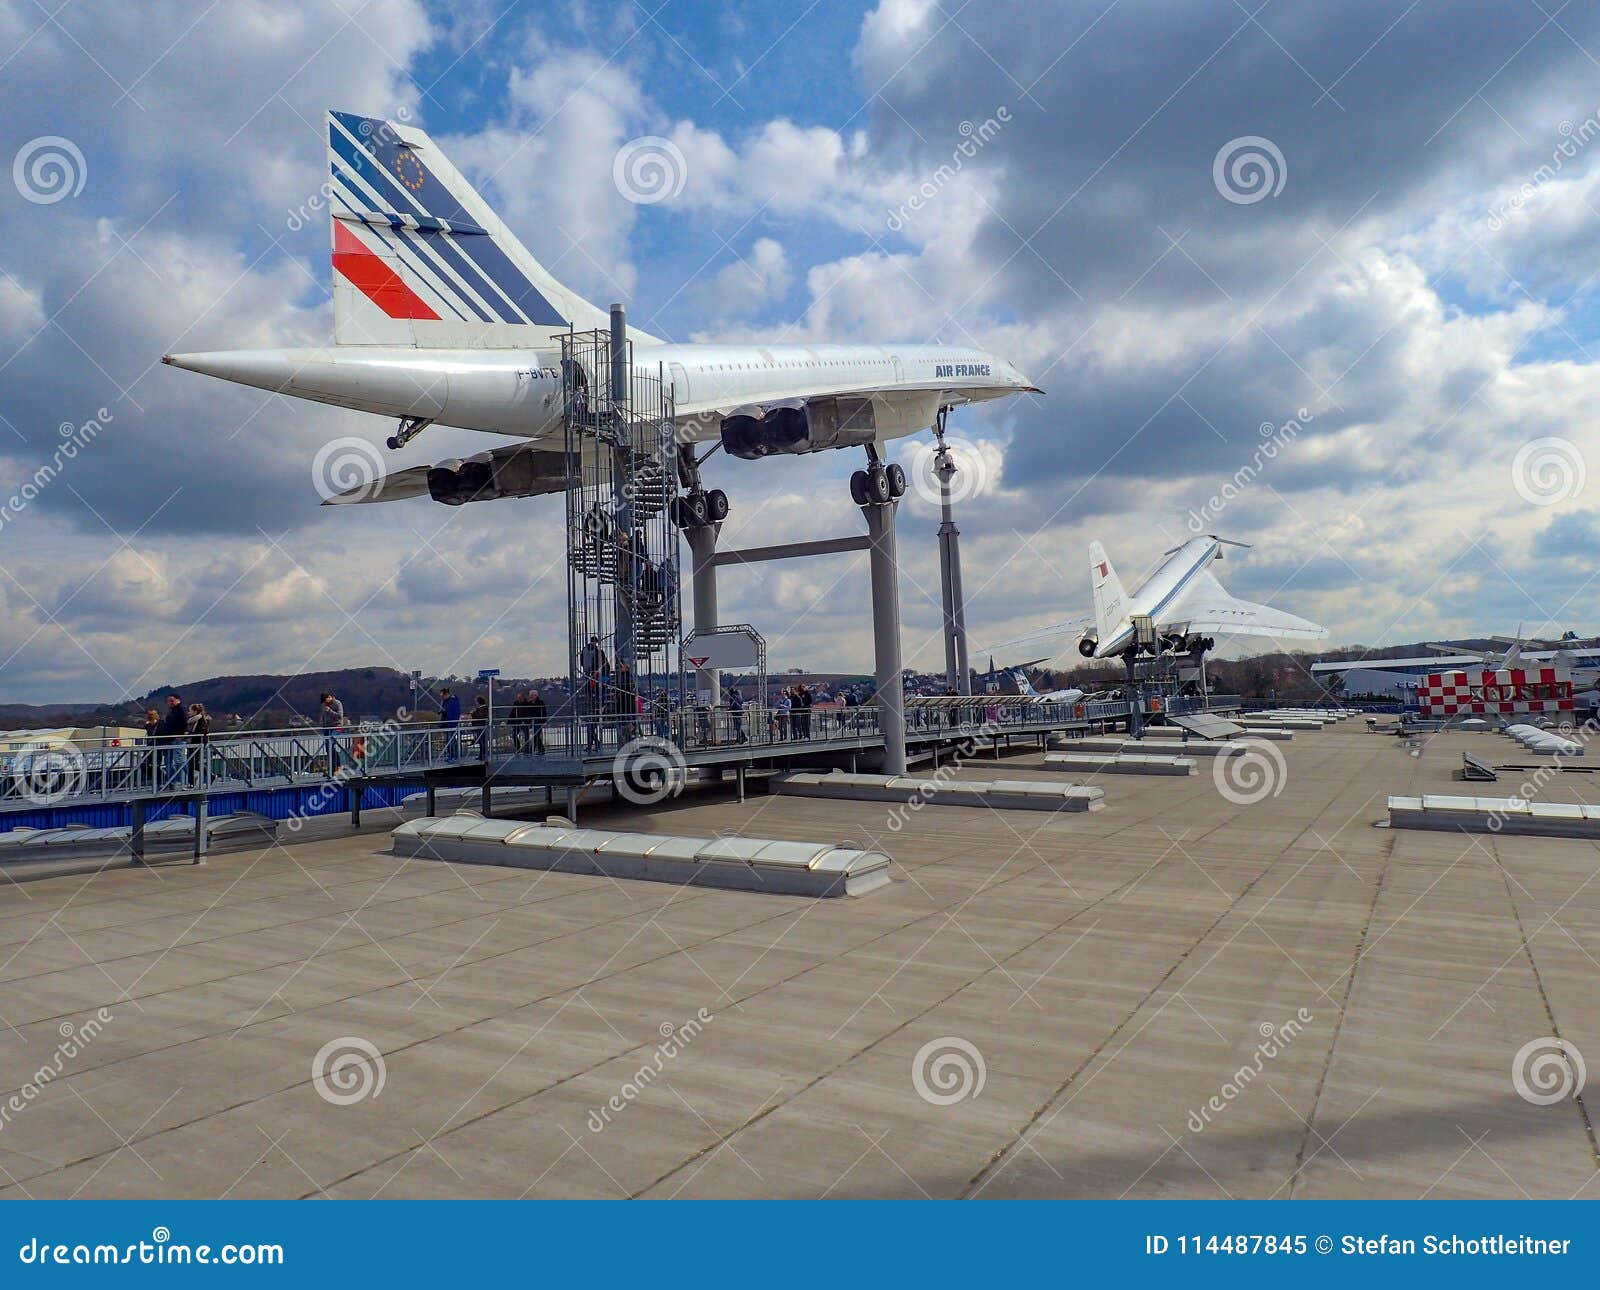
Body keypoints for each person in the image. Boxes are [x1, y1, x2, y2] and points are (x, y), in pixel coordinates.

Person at [159, 694, 187, 786]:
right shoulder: (172, 711)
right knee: (168, 762)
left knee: (179, 760)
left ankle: (190, 776)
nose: (170, 703)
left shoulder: (180, 711)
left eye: (172, 700)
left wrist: (181, 734)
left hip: (177, 738)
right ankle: (171, 782)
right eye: (169, 701)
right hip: (169, 739)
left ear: (178, 700)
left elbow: (183, 723)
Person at [319, 692, 345, 774]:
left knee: (330, 743)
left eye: (326, 700)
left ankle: (337, 766)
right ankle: (333, 768)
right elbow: (323, 715)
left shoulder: (337, 703)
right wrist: (322, 723)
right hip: (327, 727)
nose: (325, 703)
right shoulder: (323, 705)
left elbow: (340, 716)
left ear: (330, 697)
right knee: (328, 748)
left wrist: (330, 711)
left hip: (337, 727)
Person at [186, 703, 212, 783]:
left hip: (197, 743)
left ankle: (192, 783)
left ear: (195, 711)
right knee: (193, 763)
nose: (188, 712)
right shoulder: (200, 719)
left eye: (190, 711)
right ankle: (210, 776)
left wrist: (188, 734)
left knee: (193, 763)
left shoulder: (200, 720)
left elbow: (200, 732)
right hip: (196, 743)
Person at [439, 687, 462, 760]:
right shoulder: (446, 701)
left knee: (451, 741)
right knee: (449, 741)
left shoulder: (452, 701)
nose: (442, 698)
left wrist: (452, 722)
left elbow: (455, 713)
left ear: (446, 694)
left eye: (442, 696)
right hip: (447, 724)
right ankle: (451, 755)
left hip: (451, 724)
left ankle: (454, 756)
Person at [528, 687, 548, 753]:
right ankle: (541, 749)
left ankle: (531, 749)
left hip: (538, 721)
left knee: (536, 735)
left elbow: (544, 712)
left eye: (532, 695)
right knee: (536, 735)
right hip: (533, 721)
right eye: (530, 695)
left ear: (536, 696)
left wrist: (544, 720)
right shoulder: (529, 703)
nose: (530, 697)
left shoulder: (540, 702)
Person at [469, 694, 489, 758]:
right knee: (481, 741)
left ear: (478, 702)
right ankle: (482, 754)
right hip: (480, 726)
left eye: (476, 702)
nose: (476, 703)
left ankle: (482, 755)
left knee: (482, 741)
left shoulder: (483, 708)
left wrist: (473, 713)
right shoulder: (481, 708)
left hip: (481, 726)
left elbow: (480, 717)